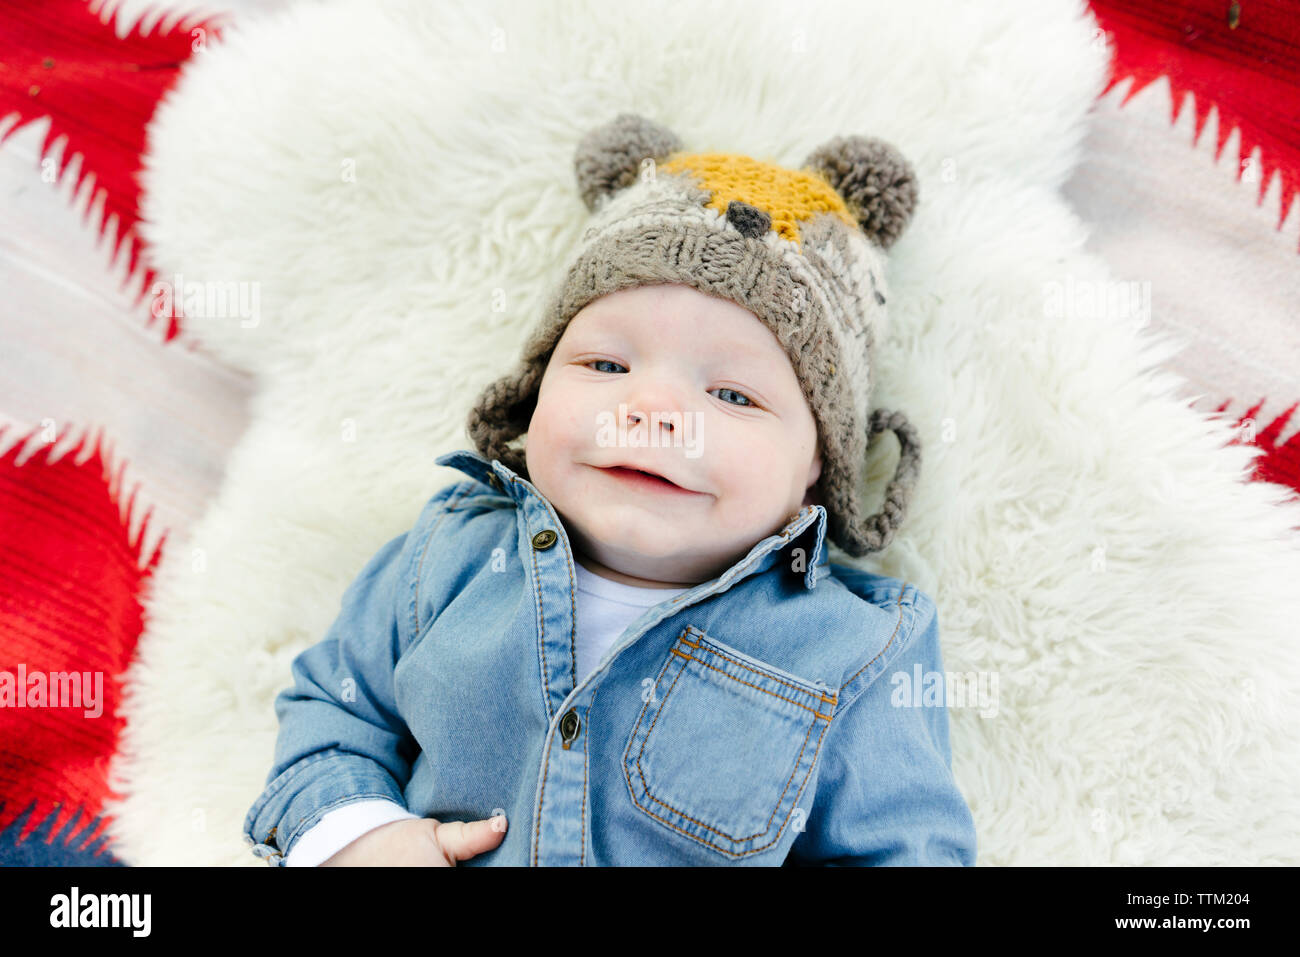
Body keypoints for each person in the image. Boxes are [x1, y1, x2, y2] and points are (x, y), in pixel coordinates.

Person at [242, 113, 976, 866]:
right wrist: (356, 834)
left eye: (732, 395)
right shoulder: (447, 559)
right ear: (532, 391)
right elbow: (335, 708)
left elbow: (908, 848)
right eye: (606, 366)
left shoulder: (854, 648)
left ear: (818, 467)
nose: (653, 410)